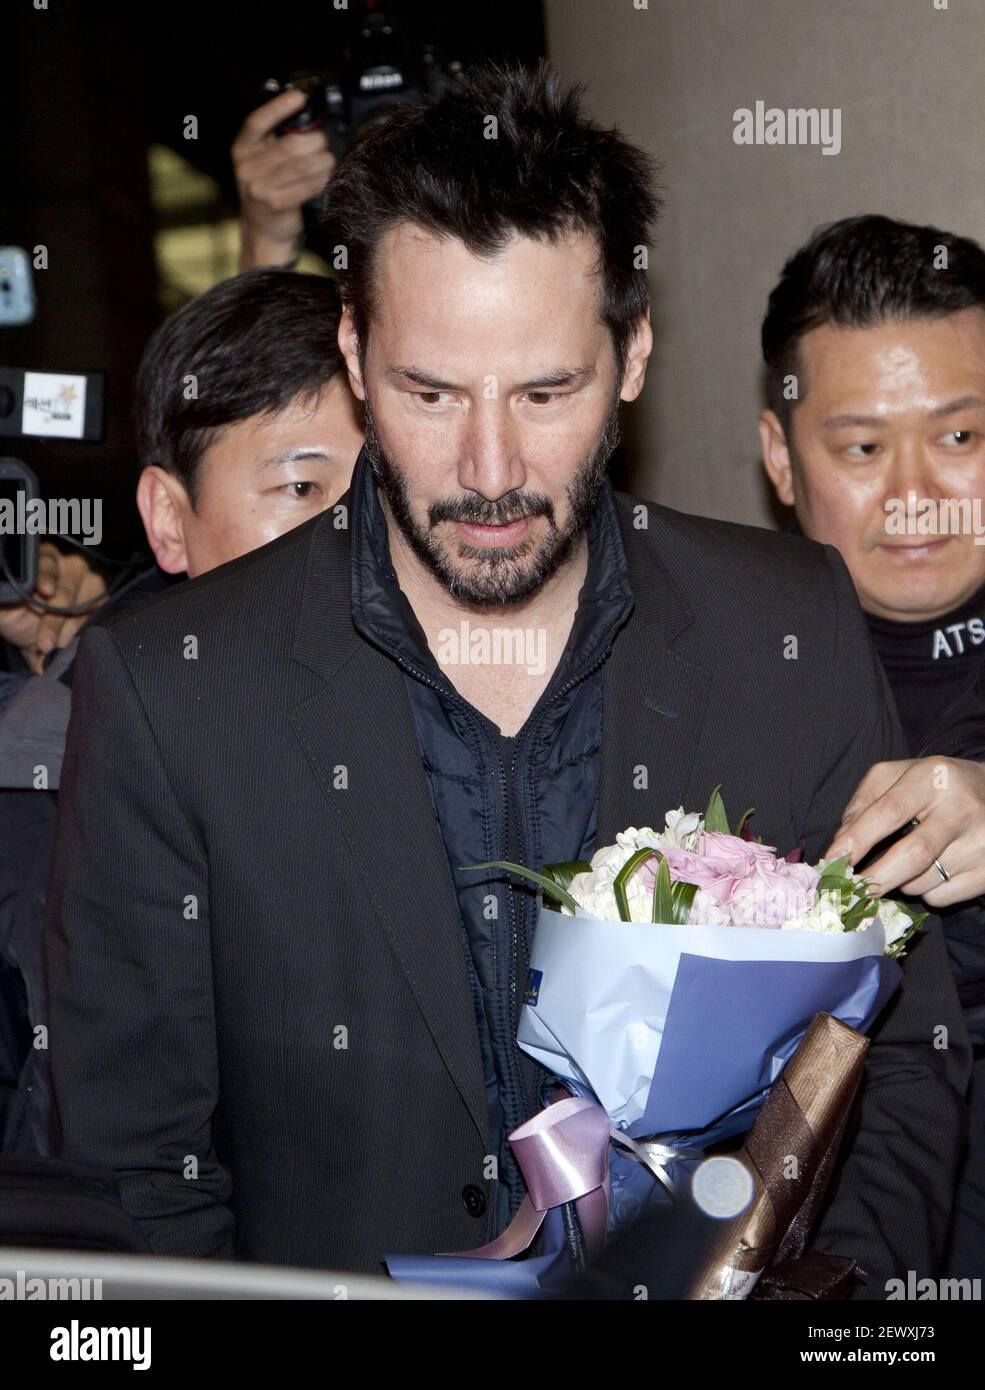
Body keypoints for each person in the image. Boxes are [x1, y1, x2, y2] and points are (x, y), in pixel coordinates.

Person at [44, 65, 968, 1295]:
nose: (490, 468)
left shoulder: (781, 621)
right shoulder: (173, 688)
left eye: (546, 392)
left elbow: (896, 1053)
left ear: (631, 354)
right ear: (356, 352)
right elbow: (132, 1167)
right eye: (431, 392)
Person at [0, 267, 362, 1154]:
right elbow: (102, 1141)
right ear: (168, 518)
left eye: (383, 492)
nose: (359, 539)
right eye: (300, 491)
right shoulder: (58, 763)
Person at [759, 213, 985, 1277]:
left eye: (959, 437)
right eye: (860, 447)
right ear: (780, 457)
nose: (913, 493)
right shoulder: (705, 673)